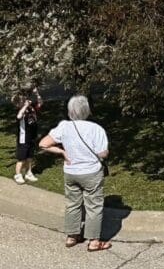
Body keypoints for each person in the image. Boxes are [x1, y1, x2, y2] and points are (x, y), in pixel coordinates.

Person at [38, 95, 110, 251]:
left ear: (70, 111)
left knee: (72, 204)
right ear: (87, 110)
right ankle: (94, 242)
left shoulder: (64, 126)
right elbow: (103, 153)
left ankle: (72, 236)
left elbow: (43, 144)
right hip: (91, 172)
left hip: (71, 172)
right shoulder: (96, 129)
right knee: (93, 206)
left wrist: (62, 152)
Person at [14, 87, 40, 184]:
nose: (25, 101)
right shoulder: (19, 110)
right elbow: (19, 116)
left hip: (32, 137)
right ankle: (18, 174)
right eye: (23, 100)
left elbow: (40, 103)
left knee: (30, 157)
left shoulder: (31, 108)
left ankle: (29, 173)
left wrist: (37, 93)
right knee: (22, 158)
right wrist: (25, 106)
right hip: (23, 138)